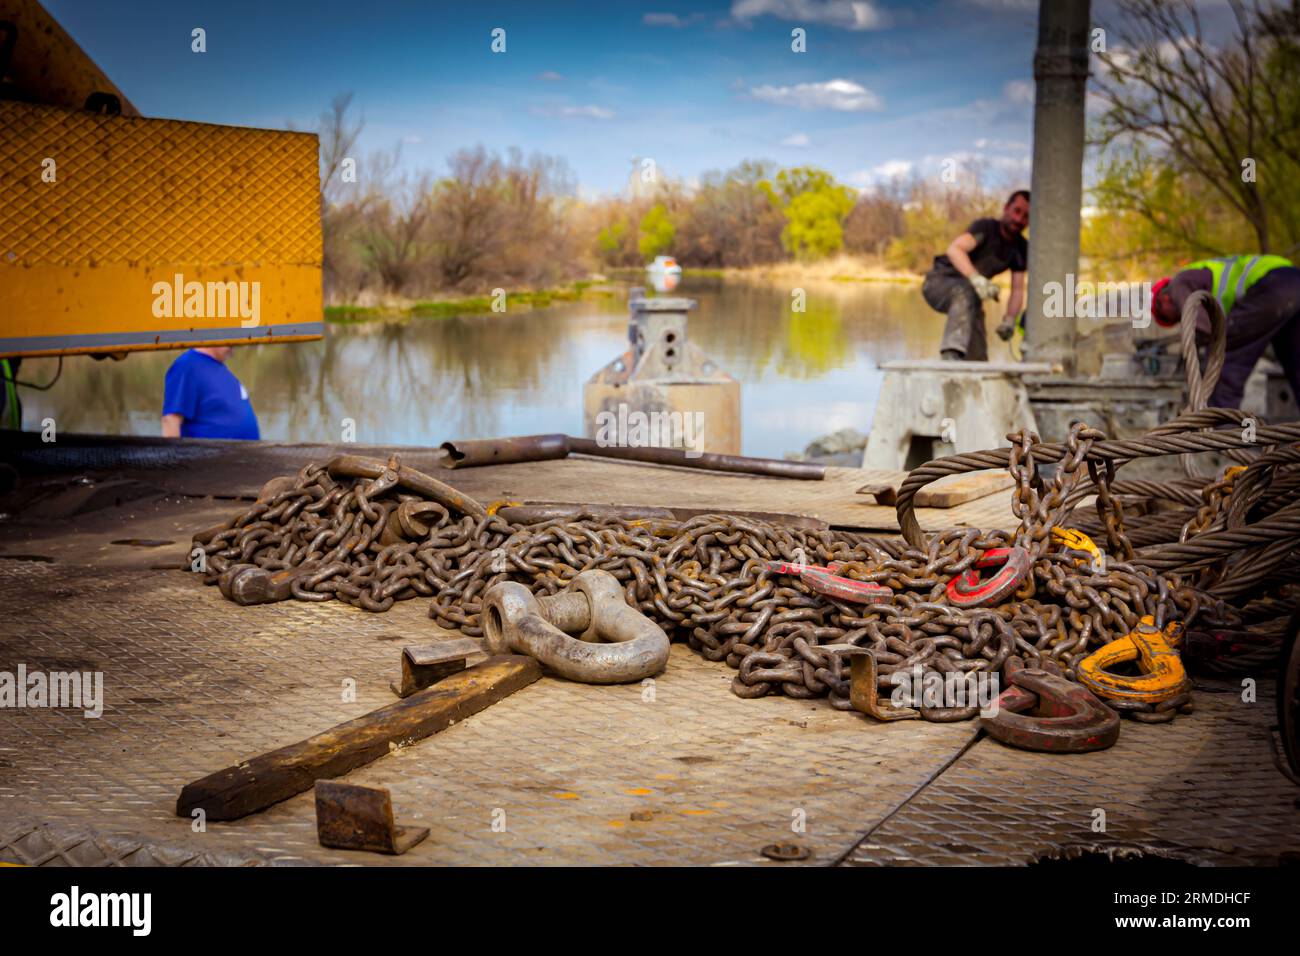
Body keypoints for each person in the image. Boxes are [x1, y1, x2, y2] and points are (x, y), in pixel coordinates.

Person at [1150, 255, 1300, 409]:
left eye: (1168, 319)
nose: (1177, 321)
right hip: (1293, 278)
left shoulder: (1178, 284)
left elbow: (1203, 328)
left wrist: (1194, 350)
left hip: (1271, 285)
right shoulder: (1201, 272)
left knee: (1220, 359)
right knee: (1296, 362)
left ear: (1163, 300)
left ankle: (1220, 427)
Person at [922, 190, 1030, 361]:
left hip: (971, 297)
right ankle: (951, 356)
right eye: (1017, 211)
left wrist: (1010, 319)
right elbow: (955, 250)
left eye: (1026, 216)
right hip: (939, 282)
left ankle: (976, 371)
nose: (1019, 220)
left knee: (978, 357)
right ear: (1006, 208)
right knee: (966, 292)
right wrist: (976, 278)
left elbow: (1017, 290)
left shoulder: (1021, 248)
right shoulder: (986, 228)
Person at [161, 346, 260, 439]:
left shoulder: (220, 368)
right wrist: (173, 456)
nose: (235, 344)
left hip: (244, 455)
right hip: (209, 455)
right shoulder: (187, 365)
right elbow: (170, 421)